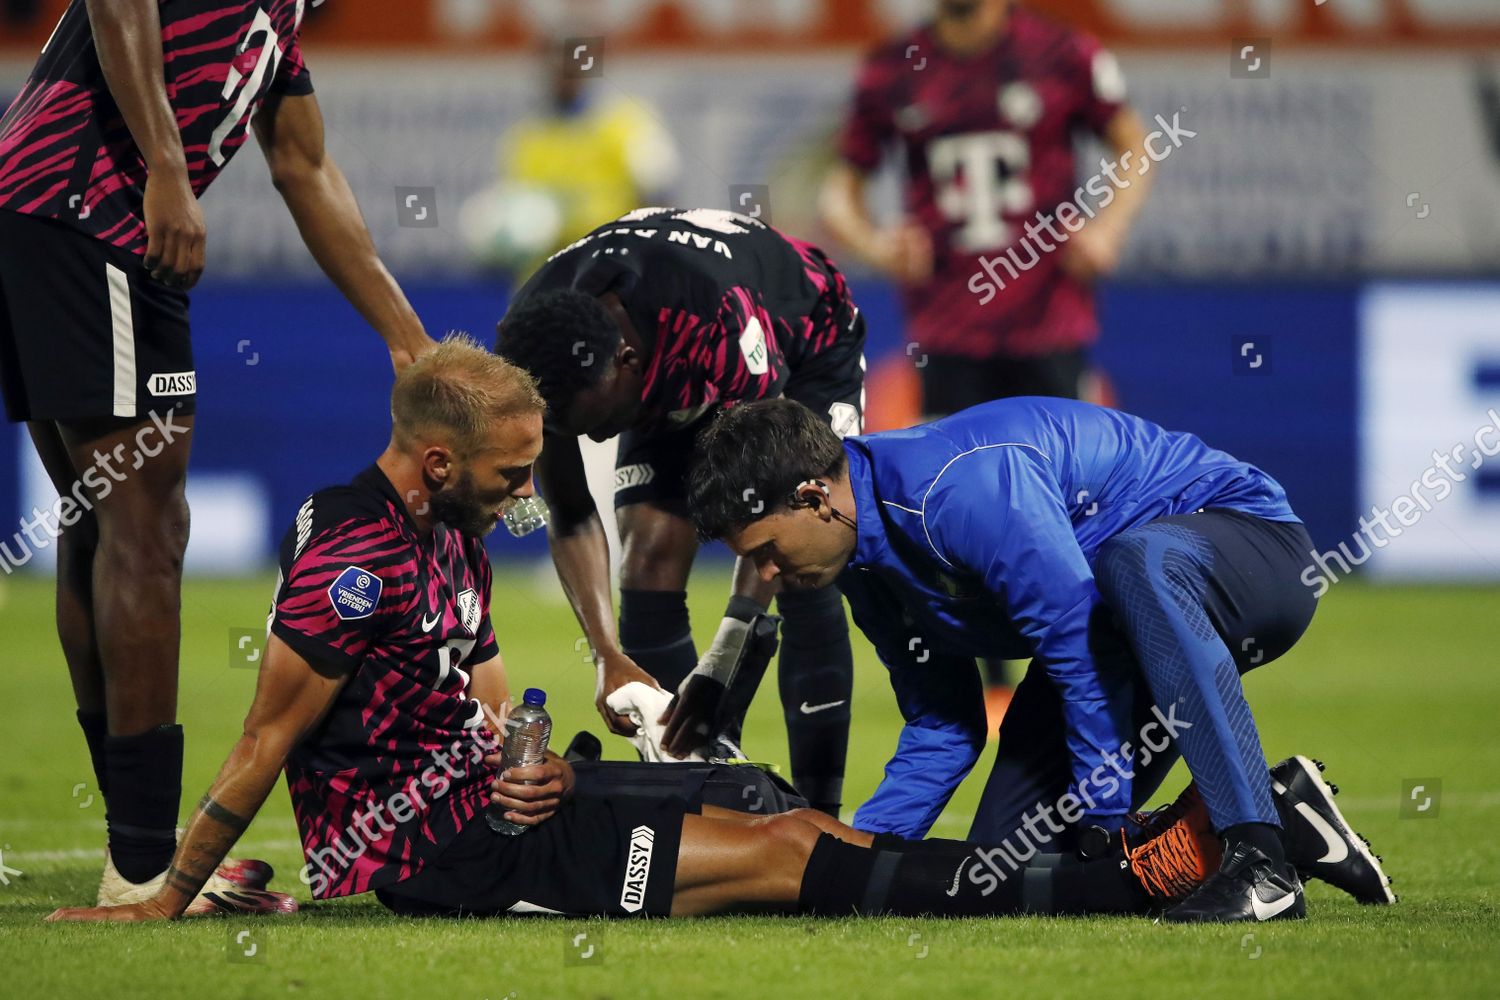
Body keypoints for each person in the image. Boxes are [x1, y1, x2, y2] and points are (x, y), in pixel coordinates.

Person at [46, 339, 1244, 925]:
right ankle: (1131, 882)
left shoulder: (451, 534)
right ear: (435, 459)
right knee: (787, 863)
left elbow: (487, 702)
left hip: (507, 809)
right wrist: (167, 892)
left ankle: (1152, 856)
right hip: (446, 861)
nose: (529, 494)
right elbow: (265, 742)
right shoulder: (353, 558)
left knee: (782, 807)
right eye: (514, 471)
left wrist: (531, 754)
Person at [0, 0, 433, 911]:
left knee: (100, 524)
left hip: (53, 214)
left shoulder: (279, 25)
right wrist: (166, 167)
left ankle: (141, 858)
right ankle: (147, 868)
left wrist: (407, 342)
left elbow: (305, 168)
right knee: (146, 532)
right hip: (90, 213)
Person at [685, 397, 1396, 922]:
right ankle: (1286, 816)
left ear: (813, 498)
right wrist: (843, 858)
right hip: (1117, 634)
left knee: (1134, 561)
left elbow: (1078, 648)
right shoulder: (861, 568)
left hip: (1251, 550)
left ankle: (1260, 858)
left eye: (766, 552)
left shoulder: (957, 491)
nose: (767, 577)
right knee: (1002, 872)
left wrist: (1105, 811)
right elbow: (943, 725)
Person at [821, 0, 1156, 712]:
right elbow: (840, 186)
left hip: (1048, 323)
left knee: (1070, 505)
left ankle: (1085, 672)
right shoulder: (892, 69)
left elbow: (1135, 148)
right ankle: (994, 685)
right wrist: (875, 242)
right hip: (949, 330)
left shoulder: (1062, 53)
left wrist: (1109, 226)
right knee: (958, 512)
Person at [494, 207, 863, 816]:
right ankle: (687, 802)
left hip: (805, 342)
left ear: (627, 367)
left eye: (592, 427)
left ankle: (819, 819)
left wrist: (723, 659)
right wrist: (606, 653)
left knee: (802, 560)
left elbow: (772, 510)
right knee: (648, 559)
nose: (585, 440)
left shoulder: (715, 325)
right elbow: (571, 509)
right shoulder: (542, 359)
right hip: (662, 367)